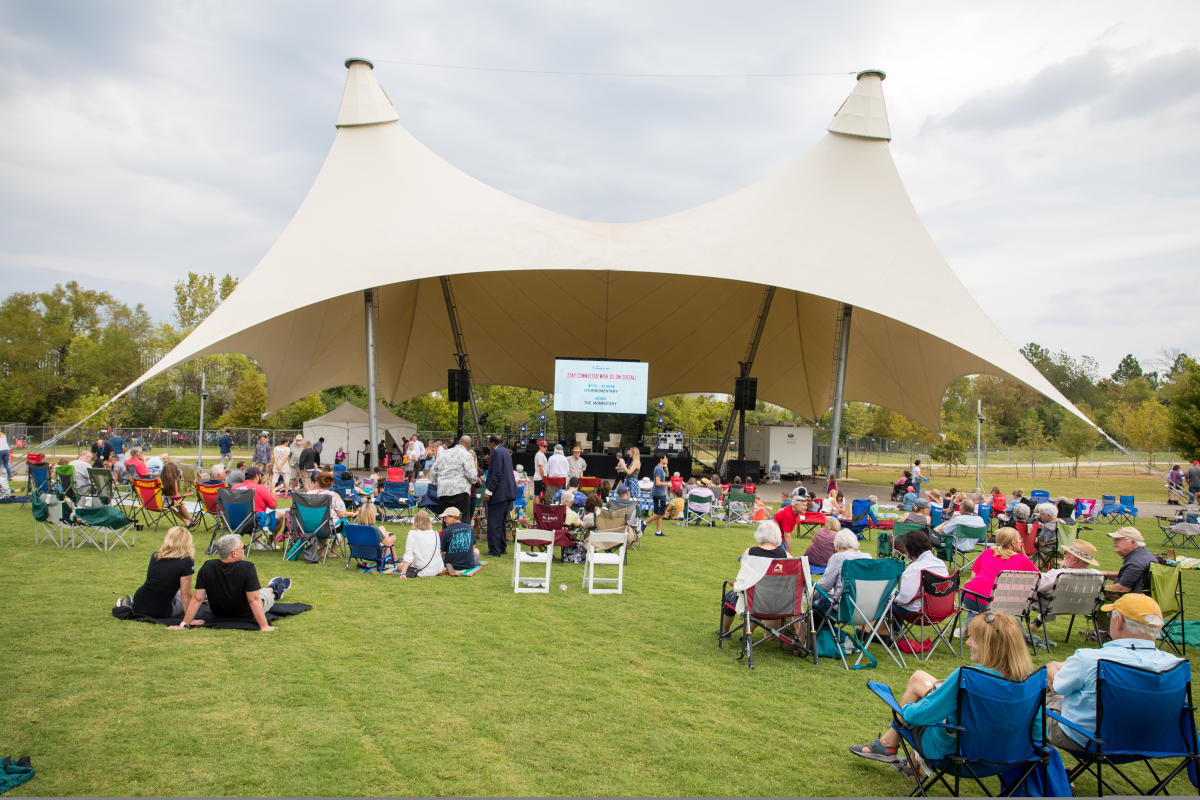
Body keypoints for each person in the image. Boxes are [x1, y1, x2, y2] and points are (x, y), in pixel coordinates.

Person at [849, 612, 1035, 773]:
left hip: (956, 755)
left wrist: (906, 709)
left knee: (916, 708)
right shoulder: (1031, 682)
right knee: (921, 681)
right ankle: (905, 760)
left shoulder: (968, 678)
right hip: (1008, 757)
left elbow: (917, 716)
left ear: (989, 646)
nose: (968, 642)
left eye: (974, 639)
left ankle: (889, 746)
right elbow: (1037, 730)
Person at [1044, 594, 1183, 750]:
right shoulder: (1175, 665)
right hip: (1153, 742)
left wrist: (1051, 669)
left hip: (1092, 741)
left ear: (1120, 621)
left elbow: (1058, 687)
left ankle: (1040, 764)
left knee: (1034, 693)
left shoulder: (1090, 660)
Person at [172, 533, 291, 631]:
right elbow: (254, 600)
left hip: (219, 613)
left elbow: (197, 598)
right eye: (243, 548)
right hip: (245, 613)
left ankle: (273, 586)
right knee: (265, 596)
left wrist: (184, 624)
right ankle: (275, 589)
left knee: (259, 593)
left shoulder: (207, 566)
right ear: (234, 553)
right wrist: (264, 626)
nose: (244, 550)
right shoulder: (247, 567)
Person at [718, 520, 790, 636]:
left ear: (759, 534)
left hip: (754, 602)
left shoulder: (749, 553)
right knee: (759, 595)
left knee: (731, 596)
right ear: (777, 535)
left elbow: (743, 578)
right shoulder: (786, 556)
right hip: (779, 603)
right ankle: (748, 632)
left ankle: (725, 631)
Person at [960, 527, 1038, 624]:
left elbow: (973, 576)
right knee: (986, 605)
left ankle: (968, 627)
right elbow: (1038, 578)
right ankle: (972, 629)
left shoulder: (988, 552)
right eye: (1019, 539)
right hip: (998, 603)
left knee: (979, 605)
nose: (1021, 541)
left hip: (969, 595)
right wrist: (1024, 555)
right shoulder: (1022, 560)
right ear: (1013, 543)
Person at [123, 525, 195, 618]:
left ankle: (127, 603)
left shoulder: (156, 556)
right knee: (188, 599)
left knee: (174, 595)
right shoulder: (186, 561)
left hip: (139, 604)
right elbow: (185, 595)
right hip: (160, 610)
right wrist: (189, 619)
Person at [814, 529, 872, 617]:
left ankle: (812, 624)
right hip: (865, 608)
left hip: (843, 608)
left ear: (837, 546)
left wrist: (813, 585)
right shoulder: (867, 557)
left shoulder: (838, 557)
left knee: (818, 597)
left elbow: (824, 586)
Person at [892, 528, 949, 618]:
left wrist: (890, 596)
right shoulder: (941, 564)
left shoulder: (916, 568)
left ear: (909, 550)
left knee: (887, 603)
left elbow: (903, 599)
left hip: (920, 612)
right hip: (942, 609)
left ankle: (892, 627)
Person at [427, 435, 478, 519]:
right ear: (468, 445)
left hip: (444, 492)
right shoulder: (467, 455)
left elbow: (433, 472)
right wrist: (476, 480)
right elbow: (472, 476)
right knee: (461, 519)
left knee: (447, 519)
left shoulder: (444, 453)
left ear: (459, 442)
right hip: (460, 492)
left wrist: (439, 481)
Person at [483, 434, 518, 557]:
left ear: (493, 443)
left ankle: (494, 550)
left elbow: (496, 474)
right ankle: (502, 547)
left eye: (489, 444)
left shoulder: (497, 453)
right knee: (502, 522)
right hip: (507, 493)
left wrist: (488, 492)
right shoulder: (505, 452)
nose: (488, 446)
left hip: (499, 494)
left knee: (494, 523)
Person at [1102, 526, 1159, 597]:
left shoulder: (1135, 562)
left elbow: (1122, 588)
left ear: (1132, 542)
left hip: (1137, 601)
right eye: (1114, 539)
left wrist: (1097, 587)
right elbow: (1127, 575)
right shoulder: (1142, 554)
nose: (1114, 541)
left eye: (1118, 539)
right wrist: (1104, 574)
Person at [233, 466, 284, 538]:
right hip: (253, 523)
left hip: (235, 522)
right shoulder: (261, 488)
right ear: (257, 476)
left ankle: (256, 541)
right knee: (279, 516)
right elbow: (274, 506)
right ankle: (269, 543)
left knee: (250, 513)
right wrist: (273, 496)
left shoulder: (234, 487)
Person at [396, 510, 445, 577]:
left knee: (399, 565)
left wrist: (403, 573)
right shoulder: (435, 533)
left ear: (415, 521)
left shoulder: (412, 534)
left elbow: (408, 555)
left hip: (422, 570)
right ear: (428, 521)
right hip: (438, 568)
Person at [437, 506, 480, 572]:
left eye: (445, 517)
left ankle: (449, 565)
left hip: (451, 564)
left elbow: (441, 552)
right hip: (469, 565)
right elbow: (473, 548)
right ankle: (469, 562)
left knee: (441, 556)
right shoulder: (469, 528)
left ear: (453, 517)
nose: (444, 520)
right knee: (476, 550)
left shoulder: (446, 531)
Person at [159, 460, 195, 527]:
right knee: (179, 504)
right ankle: (190, 519)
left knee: (173, 506)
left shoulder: (161, 479)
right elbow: (177, 496)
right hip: (166, 503)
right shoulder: (173, 480)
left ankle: (186, 520)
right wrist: (182, 497)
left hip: (158, 502)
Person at [646, 453, 670, 536]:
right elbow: (658, 483)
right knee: (661, 513)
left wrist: (666, 467)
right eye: (666, 458)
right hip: (659, 494)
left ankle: (658, 532)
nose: (667, 459)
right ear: (661, 459)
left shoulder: (659, 468)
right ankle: (644, 523)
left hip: (658, 493)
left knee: (658, 513)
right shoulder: (659, 469)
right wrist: (668, 484)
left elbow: (666, 475)